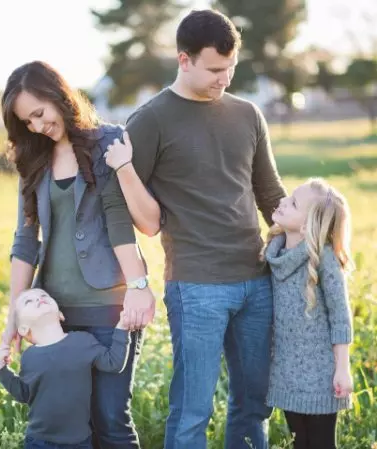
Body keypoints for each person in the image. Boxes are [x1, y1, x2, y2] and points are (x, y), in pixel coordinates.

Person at [103, 9, 287, 449]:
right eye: (215, 69)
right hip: (196, 286)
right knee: (192, 411)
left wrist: (312, 246)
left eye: (232, 68)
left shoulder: (248, 115)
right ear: (184, 60)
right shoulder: (150, 120)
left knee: (254, 403)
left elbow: (270, 194)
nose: (225, 78)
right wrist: (136, 281)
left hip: (257, 281)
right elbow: (114, 200)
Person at [0, 60, 155, 449]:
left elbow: (120, 221)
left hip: (108, 308)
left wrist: (138, 285)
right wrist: (13, 318)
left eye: (39, 114)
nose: (36, 126)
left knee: (111, 422)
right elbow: (25, 239)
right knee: (68, 427)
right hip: (54, 312)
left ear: (58, 95)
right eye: (27, 122)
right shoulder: (32, 157)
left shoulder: (108, 141)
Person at [264, 178, 354, 449]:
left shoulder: (323, 259)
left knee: (321, 444)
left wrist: (342, 370)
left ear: (305, 225)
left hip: (322, 377)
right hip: (287, 374)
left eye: (292, 203)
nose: (281, 201)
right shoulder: (274, 254)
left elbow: (340, 317)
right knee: (299, 443)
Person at [0, 288, 131, 449]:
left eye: (43, 295)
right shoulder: (29, 357)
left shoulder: (83, 341)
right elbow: (24, 393)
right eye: (28, 301)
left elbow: (113, 363)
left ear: (60, 314)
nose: (38, 299)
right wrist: (2, 369)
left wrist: (122, 329)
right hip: (39, 441)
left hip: (79, 443)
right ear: (23, 329)